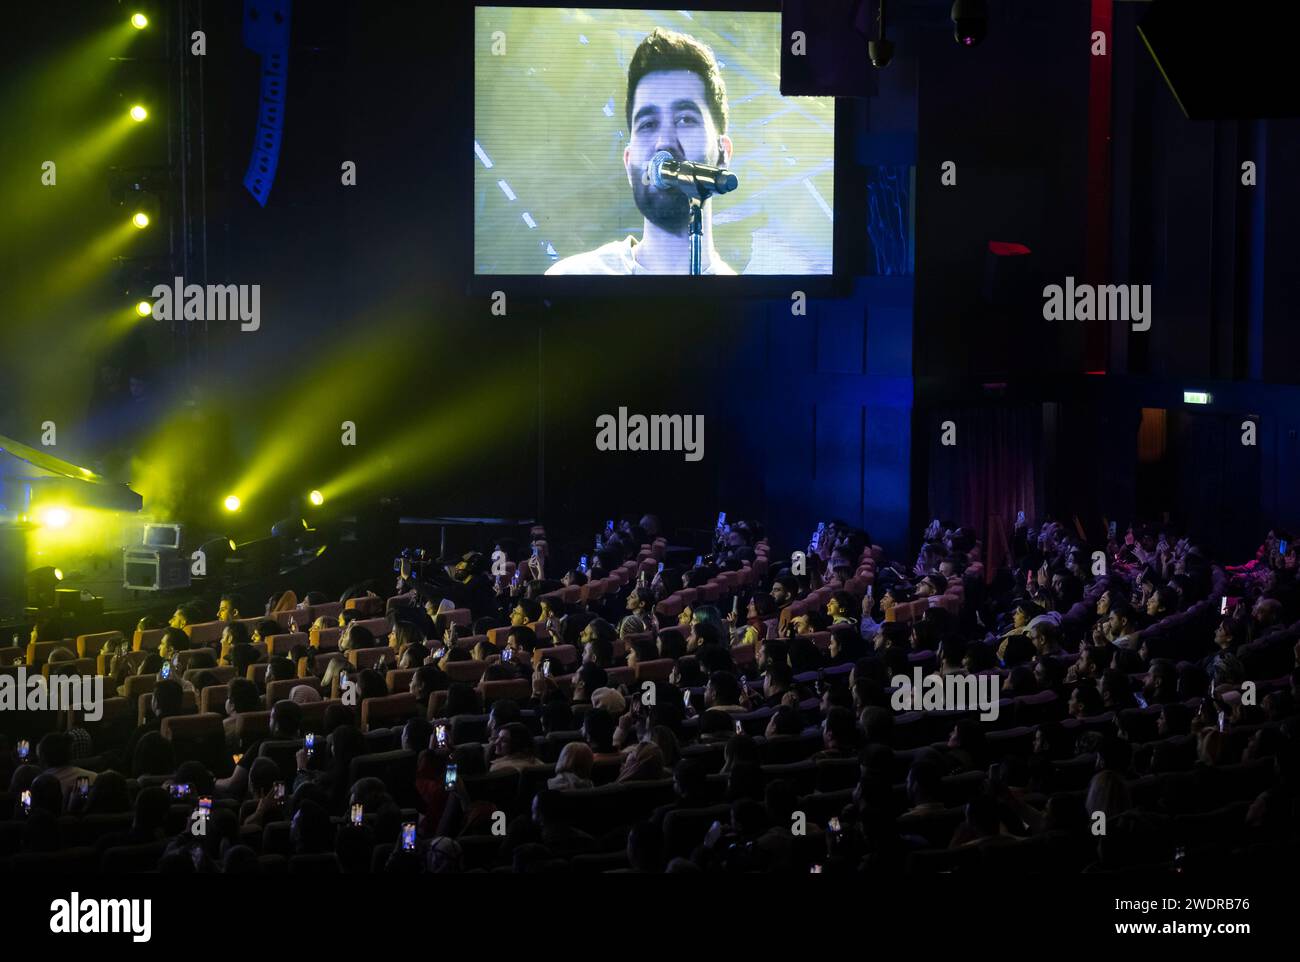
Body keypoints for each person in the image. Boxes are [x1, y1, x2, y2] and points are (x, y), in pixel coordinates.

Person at [545, 27, 737, 276]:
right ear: (628, 163)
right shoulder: (572, 279)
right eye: (648, 124)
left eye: (685, 120)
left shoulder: (743, 299)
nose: (663, 143)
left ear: (723, 154)